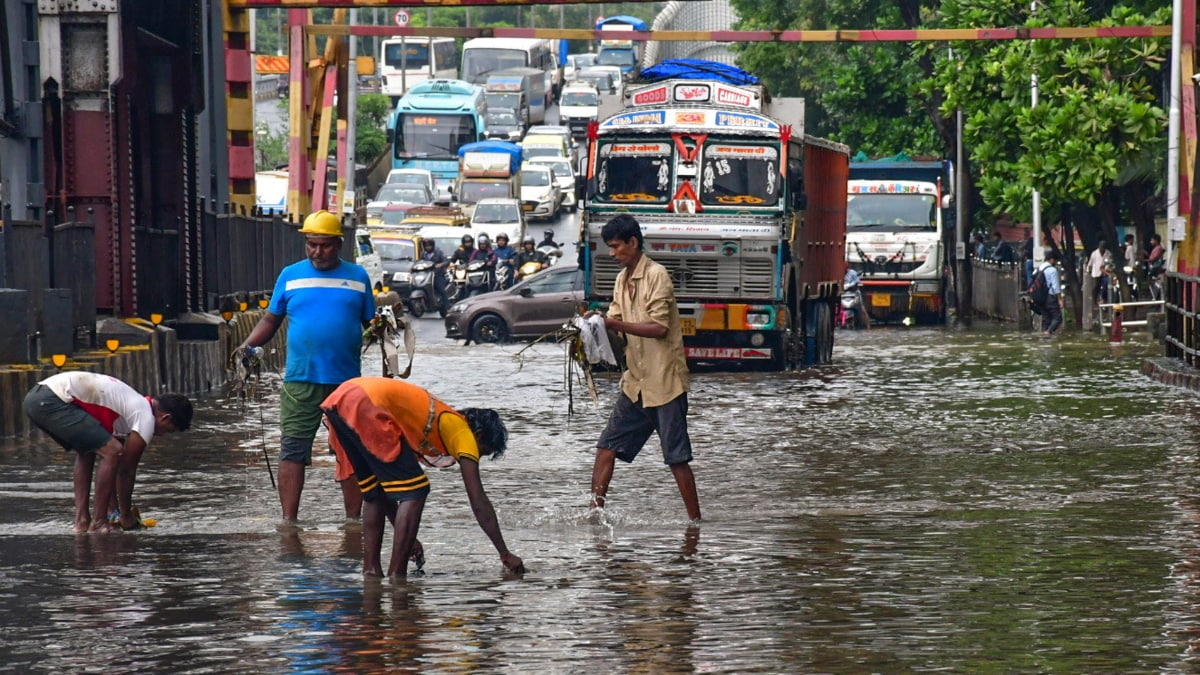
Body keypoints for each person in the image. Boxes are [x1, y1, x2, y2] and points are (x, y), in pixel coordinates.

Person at [238, 210, 376, 526]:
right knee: (293, 448)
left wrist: (386, 329)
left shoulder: (358, 277)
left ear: (339, 244)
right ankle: (289, 522)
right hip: (301, 379)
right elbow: (271, 319)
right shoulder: (290, 275)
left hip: (346, 382)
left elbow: (371, 323)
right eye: (311, 245)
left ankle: (354, 522)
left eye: (324, 245)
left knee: (350, 452)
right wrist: (247, 347)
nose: (317, 251)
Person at [320, 377, 526, 578]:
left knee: (375, 492)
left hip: (343, 398)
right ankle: (397, 575)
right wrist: (505, 554)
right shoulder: (464, 433)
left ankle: (371, 571)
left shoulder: (439, 419)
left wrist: (409, 539)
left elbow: (387, 498)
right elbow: (478, 501)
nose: (476, 456)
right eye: (483, 452)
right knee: (417, 491)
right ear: (479, 435)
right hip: (368, 402)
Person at [587, 214, 700, 523]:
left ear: (633, 243)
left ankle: (695, 523)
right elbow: (616, 328)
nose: (611, 254)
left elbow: (659, 328)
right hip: (635, 383)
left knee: (676, 460)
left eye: (615, 247)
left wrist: (612, 323)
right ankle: (594, 517)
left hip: (665, 383)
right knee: (605, 448)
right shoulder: (622, 280)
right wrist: (592, 329)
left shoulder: (657, 276)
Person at [23, 371, 193, 532]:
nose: (162, 435)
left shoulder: (127, 410)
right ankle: (98, 523)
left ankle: (82, 522)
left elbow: (112, 470)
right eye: (168, 430)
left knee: (89, 451)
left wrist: (115, 511)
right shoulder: (145, 417)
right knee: (113, 451)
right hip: (51, 400)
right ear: (165, 417)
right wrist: (126, 516)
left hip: (38, 397)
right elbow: (125, 471)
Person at [419, 238, 449, 310]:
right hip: (426, 275)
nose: (428, 248)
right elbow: (420, 262)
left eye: (429, 246)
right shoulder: (423, 254)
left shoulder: (439, 252)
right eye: (426, 246)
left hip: (437, 274)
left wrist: (440, 265)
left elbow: (446, 261)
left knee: (441, 290)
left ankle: (446, 306)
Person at [1039, 249, 1064, 337]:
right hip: (1050, 296)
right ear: (1052, 259)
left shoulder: (1040, 267)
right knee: (1058, 317)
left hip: (1041, 296)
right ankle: (1048, 332)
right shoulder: (1052, 270)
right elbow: (1055, 286)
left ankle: (1044, 336)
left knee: (1046, 318)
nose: (1056, 262)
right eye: (1055, 260)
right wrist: (1060, 299)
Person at [1086, 240, 1110, 314]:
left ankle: (1105, 299)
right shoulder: (1094, 253)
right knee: (1095, 287)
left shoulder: (1108, 253)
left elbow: (1110, 262)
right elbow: (1090, 264)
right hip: (1096, 273)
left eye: (1103, 247)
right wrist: (1088, 272)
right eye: (1101, 247)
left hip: (1105, 273)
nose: (1102, 249)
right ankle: (1094, 301)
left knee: (1106, 286)